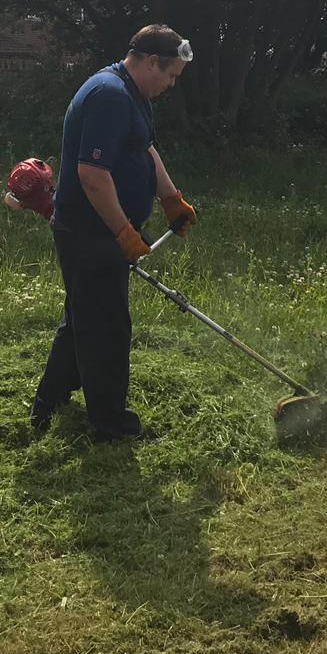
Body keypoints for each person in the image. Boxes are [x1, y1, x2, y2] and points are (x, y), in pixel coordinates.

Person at [30, 24, 198, 441]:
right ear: (152, 62)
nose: (172, 84)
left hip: (99, 231)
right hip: (90, 233)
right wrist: (123, 231)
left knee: (85, 318)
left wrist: (171, 198)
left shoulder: (132, 93)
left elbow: (144, 148)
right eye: (171, 75)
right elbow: (92, 175)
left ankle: (49, 402)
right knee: (105, 327)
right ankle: (110, 426)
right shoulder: (110, 95)